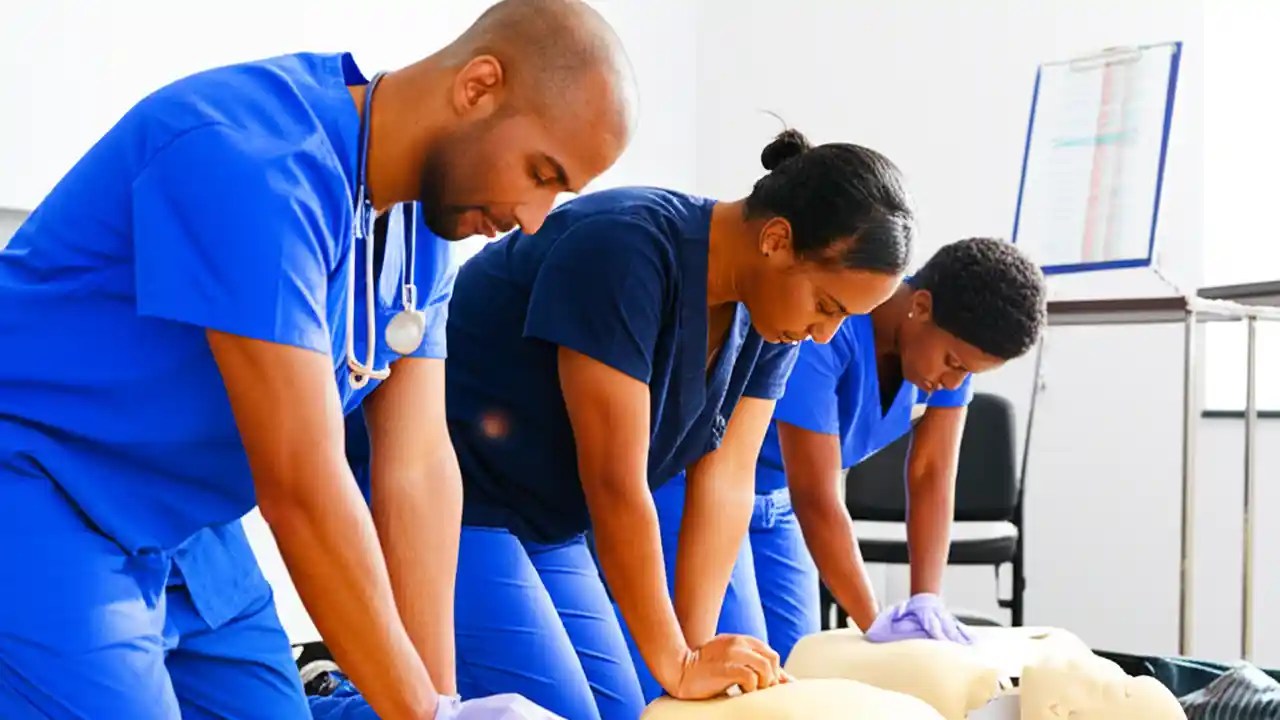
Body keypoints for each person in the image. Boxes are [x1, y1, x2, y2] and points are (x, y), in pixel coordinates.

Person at [0, 0, 636, 717]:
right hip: (40, 486)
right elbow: (300, 486)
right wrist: (424, 715)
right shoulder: (252, 159)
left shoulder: (420, 235)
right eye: (540, 172)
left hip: (186, 523)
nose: (531, 218)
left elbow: (419, 463)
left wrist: (441, 700)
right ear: (478, 86)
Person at [443, 127, 914, 720]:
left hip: (548, 522)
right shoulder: (626, 249)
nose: (825, 333)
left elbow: (726, 481)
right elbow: (615, 481)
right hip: (454, 500)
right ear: (776, 239)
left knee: (634, 712)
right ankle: (343, 696)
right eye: (827, 306)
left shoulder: (771, 313)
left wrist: (694, 654)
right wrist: (678, 662)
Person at [628, 237, 1047, 699]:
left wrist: (926, 597)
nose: (952, 382)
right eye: (952, 364)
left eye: (969, 373)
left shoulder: (946, 360)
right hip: (699, 492)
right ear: (921, 307)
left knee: (804, 668)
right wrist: (874, 620)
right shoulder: (828, 331)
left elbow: (931, 475)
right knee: (733, 674)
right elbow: (819, 498)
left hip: (778, 505)